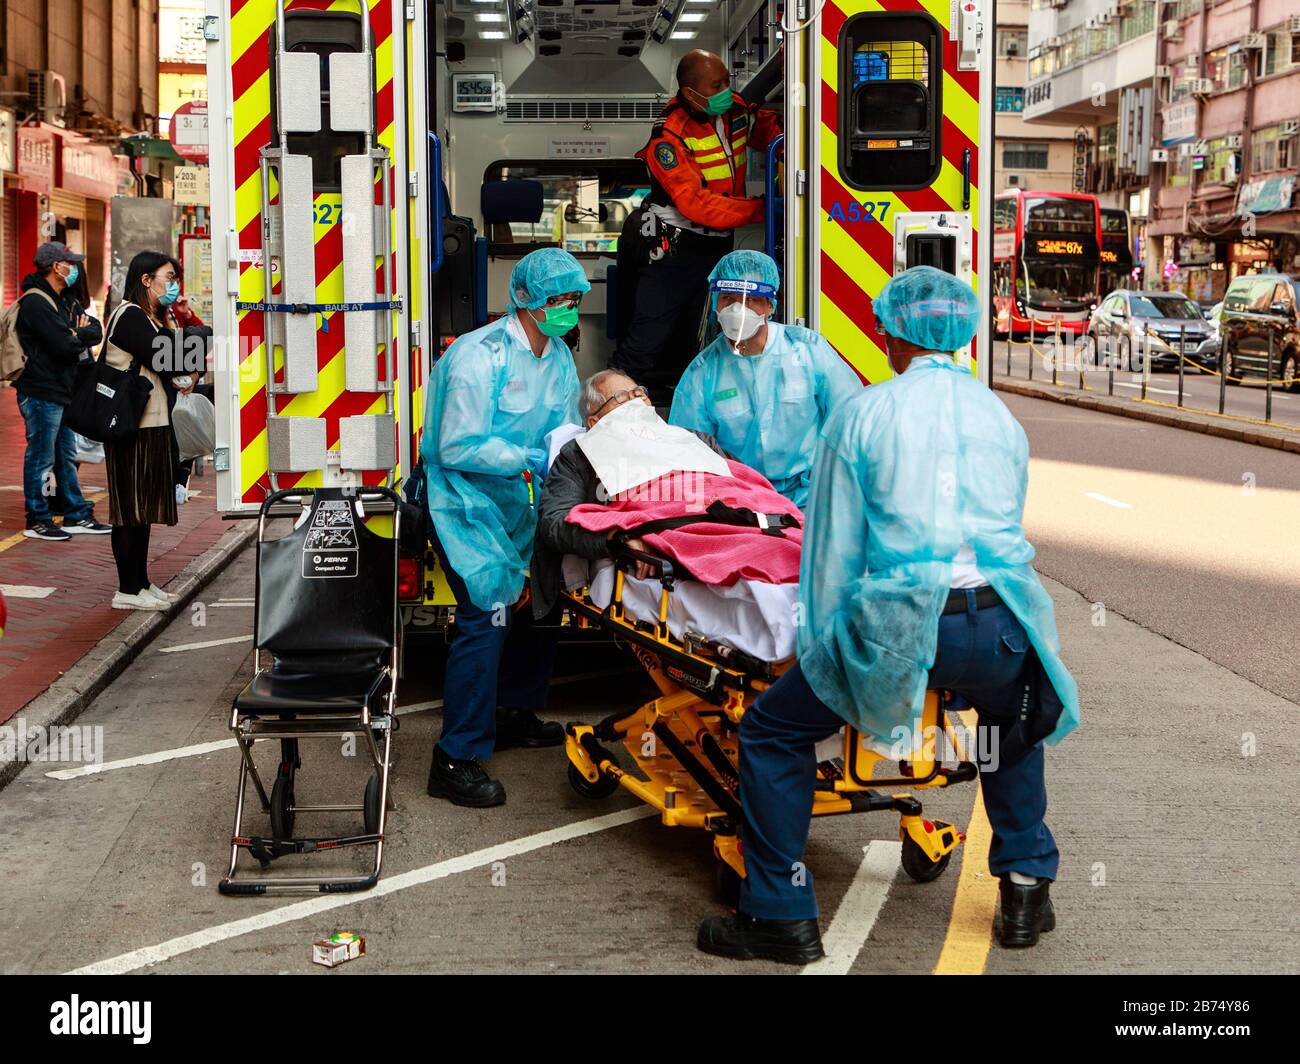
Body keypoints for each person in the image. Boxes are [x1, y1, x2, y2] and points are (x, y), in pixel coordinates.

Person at [696, 266, 1080, 964]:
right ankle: (1025, 888)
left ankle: (779, 913)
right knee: (1012, 722)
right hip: (997, 621)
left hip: (905, 627)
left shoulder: (865, 414)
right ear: (961, 334)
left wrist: (818, 645)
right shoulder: (997, 414)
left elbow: (832, 553)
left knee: (772, 732)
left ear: (888, 333)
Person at [420, 247, 589, 808]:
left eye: (574, 300)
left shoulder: (559, 355)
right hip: (463, 500)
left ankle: (513, 711)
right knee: (486, 614)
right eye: (560, 300)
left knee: (543, 602)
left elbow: (564, 425)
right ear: (526, 299)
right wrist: (526, 455)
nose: (569, 308)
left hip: (521, 497)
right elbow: (456, 444)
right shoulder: (479, 355)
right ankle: (455, 757)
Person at [612, 50, 782, 404]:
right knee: (650, 331)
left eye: (727, 82)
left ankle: (683, 402)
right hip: (673, 244)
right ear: (691, 94)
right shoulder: (669, 135)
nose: (727, 90)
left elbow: (767, 133)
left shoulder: (735, 110)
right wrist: (763, 210)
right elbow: (695, 204)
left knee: (698, 330)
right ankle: (615, 406)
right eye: (717, 85)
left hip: (715, 245)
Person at [668, 250, 862, 509]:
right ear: (716, 304)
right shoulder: (701, 374)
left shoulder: (808, 351)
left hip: (814, 495)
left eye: (751, 299)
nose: (738, 309)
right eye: (728, 298)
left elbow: (851, 418)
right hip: (742, 500)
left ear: (770, 305)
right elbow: (689, 454)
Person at [532, 369, 729, 619]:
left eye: (640, 393)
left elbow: (743, 489)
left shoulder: (695, 441)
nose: (638, 401)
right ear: (595, 422)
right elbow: (555, 522)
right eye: (623, 398)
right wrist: (616, 538)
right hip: (666, 545)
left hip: (725, 531)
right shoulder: (579, 456)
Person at [102, 252, 212, 610]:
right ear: (146, 279)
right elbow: (167, 359)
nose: (174, 284)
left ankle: (141, 582)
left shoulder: (153, 318)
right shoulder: (129, 316)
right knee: (129, 507)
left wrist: (189, 347)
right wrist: (195, 349)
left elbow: (177, 357)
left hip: (153, 422)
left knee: (144, 506)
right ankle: (126, 589)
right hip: (130, 425)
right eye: (169, 276)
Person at [14, 241, 108, 541]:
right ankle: (38, 518)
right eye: (70, 263)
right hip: (41, 392)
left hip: (63, 391)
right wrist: (75, 333)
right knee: (41, 458)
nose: (74, 269)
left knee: (64, 455)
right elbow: (64, 345)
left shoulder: (64, 299)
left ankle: (74, 513)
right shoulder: (36, 303)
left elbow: (95, 329)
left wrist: (75, 332)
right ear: (57, 267)